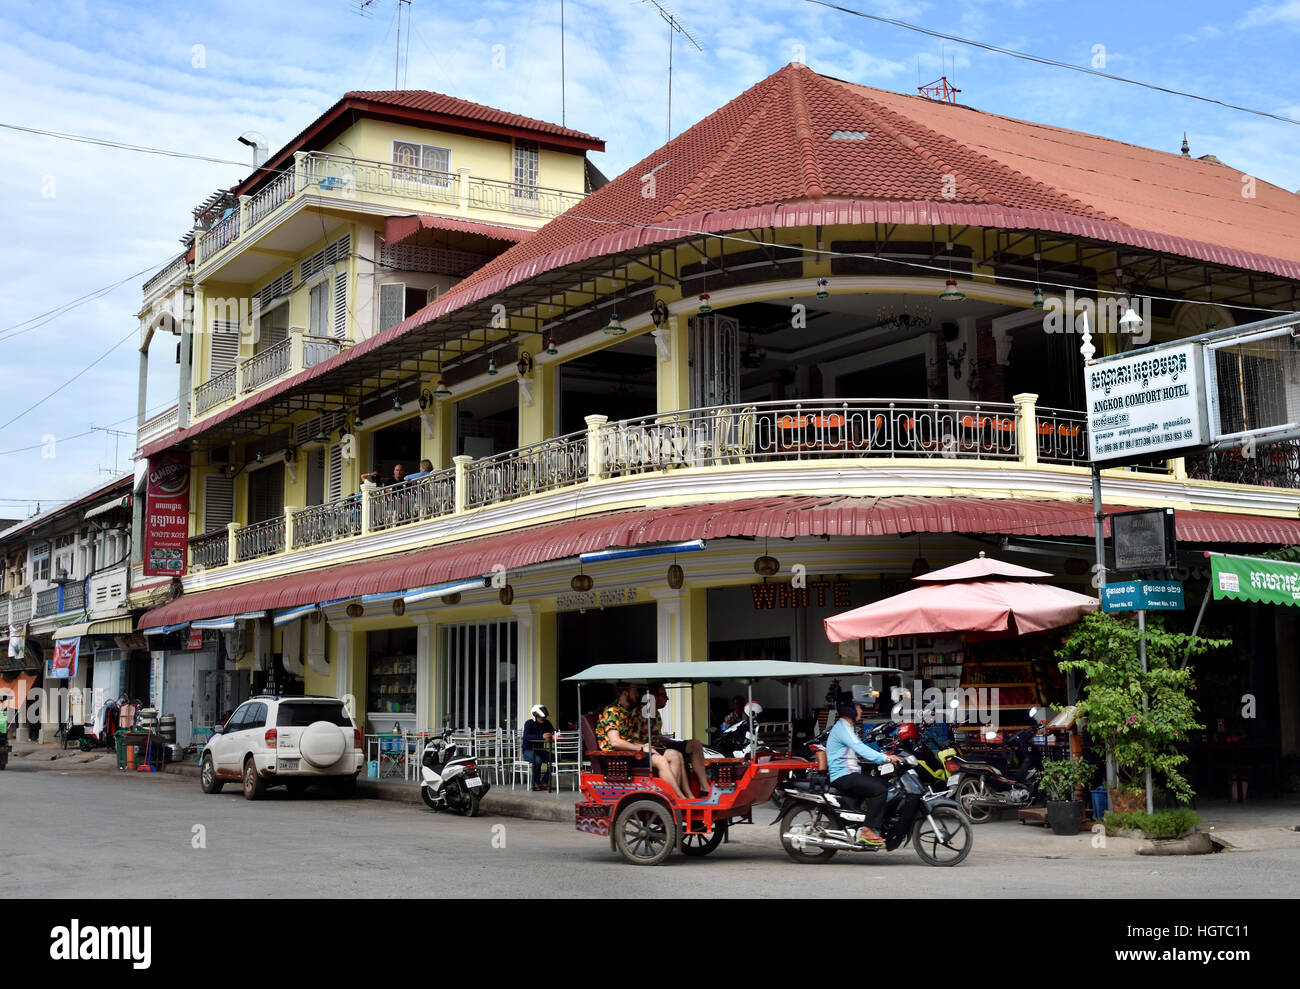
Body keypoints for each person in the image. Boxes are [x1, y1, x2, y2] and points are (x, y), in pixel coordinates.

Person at [596, 684, 694, 801]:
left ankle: (680, 797)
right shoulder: (611, 712)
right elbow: (616, 742)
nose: (638, 695)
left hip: (628, 753)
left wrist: (645, 746)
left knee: (675, 754)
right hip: (618, 758)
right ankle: (678, 798)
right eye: (635, 692)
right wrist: (641, 749)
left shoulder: (624, 712)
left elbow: (628, 741)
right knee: (661, 760)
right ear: (625, 693)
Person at [827, 698, 900, 846]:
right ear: (850, 710)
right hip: (843, 776)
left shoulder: (846, 727)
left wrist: (883, 755)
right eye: (858, 708)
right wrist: (885, 759)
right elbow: (860, 748)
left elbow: (859, 748)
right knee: (879, 790)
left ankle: (871, 822)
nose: (861, 711)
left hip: (850, 773)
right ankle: (867, 830)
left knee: (887, 786)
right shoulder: (843, 728)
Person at [642, 684, 710, 797]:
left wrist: (675, 742)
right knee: (675, 755)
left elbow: (656, 736)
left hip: (661, 746)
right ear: (653, 697)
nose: (667, 699)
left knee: (695, 744)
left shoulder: (656, 714)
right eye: (664, 696)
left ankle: (704, 788)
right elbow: (642, 739)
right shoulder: (643, 714)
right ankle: (676, 797)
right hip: (650, 749)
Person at [521, 704, 555, 791]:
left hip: (540, 750)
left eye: (544, 716)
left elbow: (553, 732)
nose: (543, 718)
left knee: (554, 758)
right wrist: (542, 736)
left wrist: (554, 735)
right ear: (535, 716)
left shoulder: (547, 723)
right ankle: (535, 782)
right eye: (540, 716)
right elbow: (526, 737)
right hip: (528, 751)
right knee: (538, 760)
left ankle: (544, 782)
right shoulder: (529, 723)